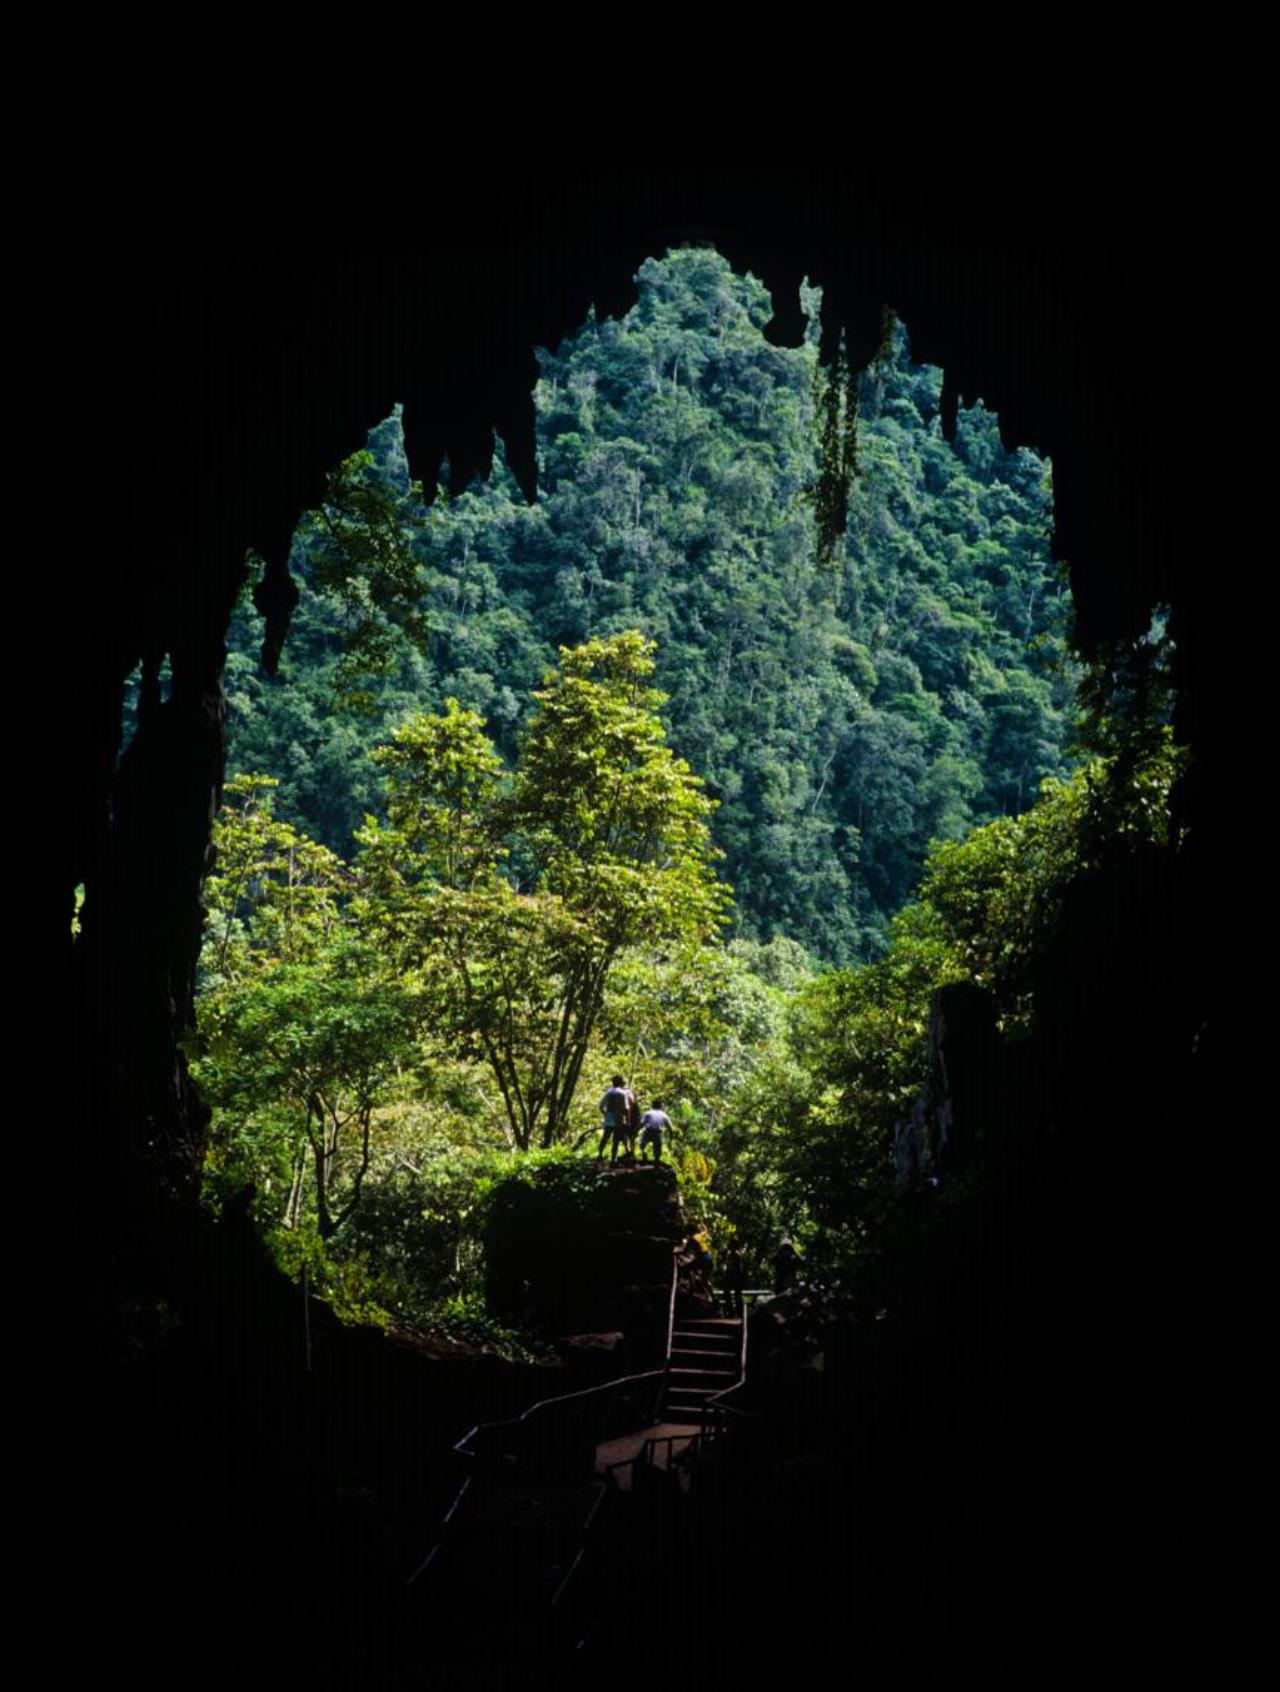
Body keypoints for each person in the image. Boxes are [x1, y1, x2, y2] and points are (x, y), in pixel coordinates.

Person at [597, 1074, 637, 1163]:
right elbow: (626, 1109)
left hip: (608, 1120)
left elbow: (600, 1106)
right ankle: (613, 1158)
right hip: (619, 1120)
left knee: (605, 1138)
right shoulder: (622, 1093)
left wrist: (605, 1114)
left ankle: (600, 1154)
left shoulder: (608, 1092)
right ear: (620, 1082)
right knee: (616, 1141)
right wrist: (628, 1121)